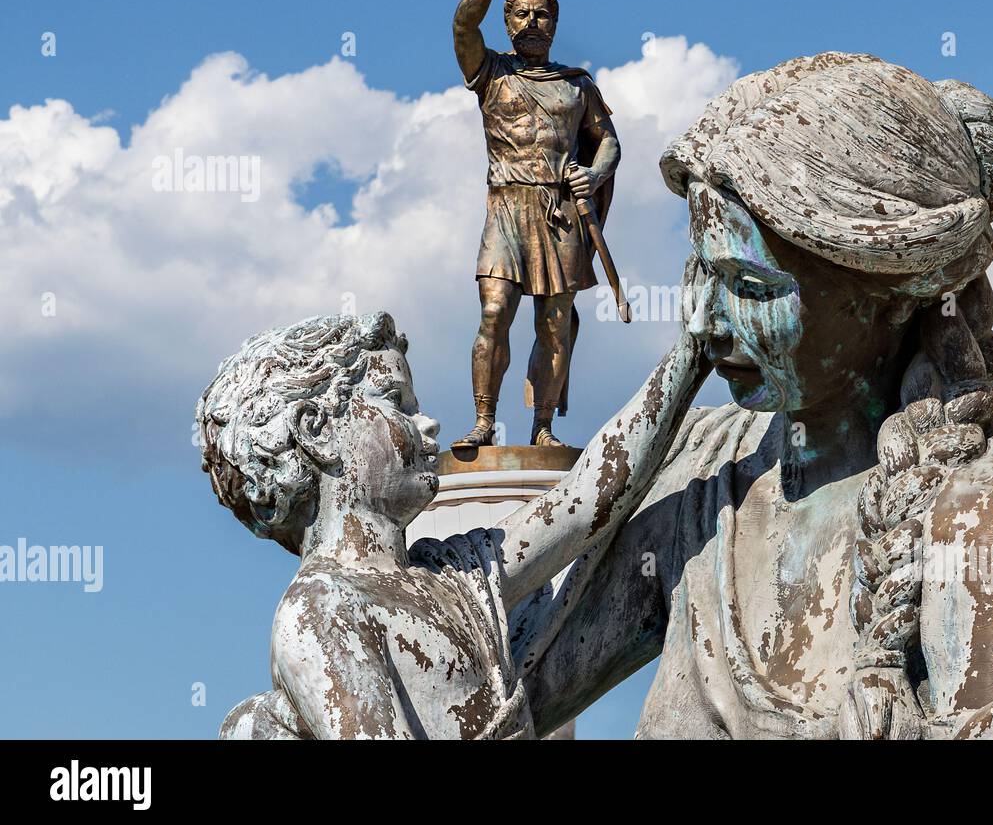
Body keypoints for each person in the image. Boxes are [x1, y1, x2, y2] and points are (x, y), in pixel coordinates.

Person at [514, 53, 993, 739]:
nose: (702, 322)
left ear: (889, 291)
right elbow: (488, 693)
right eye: (698, 270)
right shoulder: (704, 476)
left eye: (748, 284)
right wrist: (654, 417)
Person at [198, 311, 707, 738]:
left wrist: (694, 348)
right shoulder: (320, 611)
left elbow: (585, 498)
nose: (429, 424)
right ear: (318, 434)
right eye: (397, 403)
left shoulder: (451, 572)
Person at [451, 0, 621, 448]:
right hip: (505, 207)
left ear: (554, 24)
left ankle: (543, 427)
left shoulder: (576, 85)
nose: (532, 22)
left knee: (553, 324)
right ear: (508, 23)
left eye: (542, 15)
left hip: (558, 213)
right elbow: (463, 25)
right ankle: (484, 422)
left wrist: (593, 174)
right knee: (494, 310)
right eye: (521, 14)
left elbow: (607, 140)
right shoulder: (491, 73)